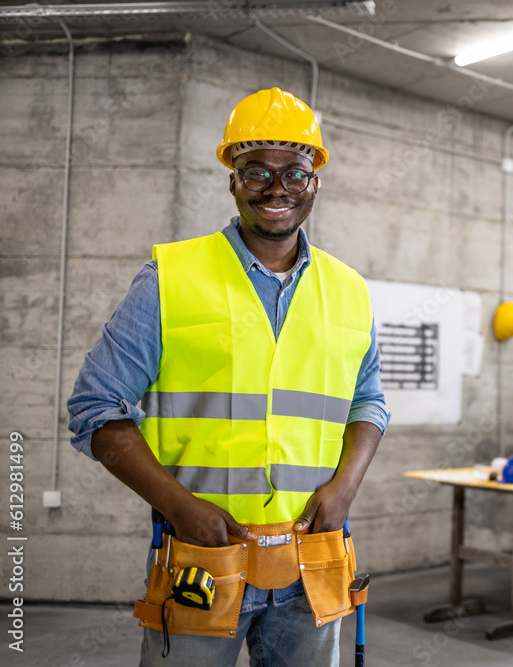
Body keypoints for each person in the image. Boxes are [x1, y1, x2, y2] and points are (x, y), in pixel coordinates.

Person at [67, 87, 389, 666]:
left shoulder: (350, 291)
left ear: (315, 180)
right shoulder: (169, 278)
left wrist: (344, 489)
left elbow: (369, 402)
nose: (276, 188)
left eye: (295, 172)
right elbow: (95, 409)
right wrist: (179, 505)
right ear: (232, 179)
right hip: (200, 558)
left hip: (312, 561)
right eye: (256, 170)